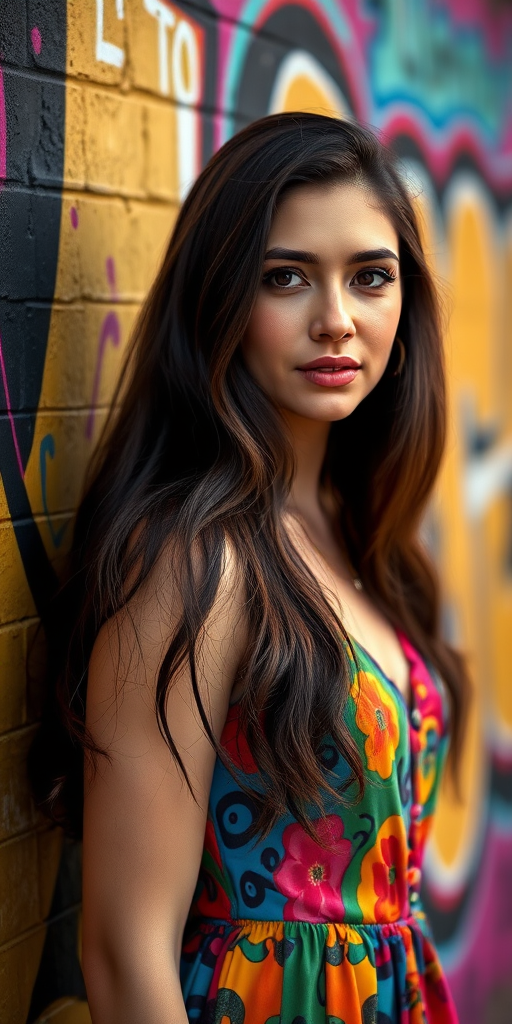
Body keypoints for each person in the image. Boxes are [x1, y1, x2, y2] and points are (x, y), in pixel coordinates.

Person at [36, 113, 469, 1023]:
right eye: (286, 278)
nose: (337, 320)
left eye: (371, 277)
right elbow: (122, 950)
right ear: (222, 298)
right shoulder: (195, 563)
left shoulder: (360, 533)